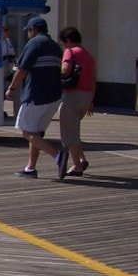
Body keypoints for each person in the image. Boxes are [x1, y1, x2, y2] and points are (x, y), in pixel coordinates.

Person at [6, 16, 64, 178]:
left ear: (33, 30)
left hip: (36, 95)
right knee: (36, 132)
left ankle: (58, 155)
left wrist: (12, 88)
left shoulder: (34, 43)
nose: (28, 34)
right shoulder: (55, 46)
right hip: (54, 96)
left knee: (26, 131)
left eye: (29, 31)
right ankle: (30, 168)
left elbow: (22, 69)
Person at [57, 26, 95, 177]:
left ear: (68, 40)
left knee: (68, 133)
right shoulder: (89, 55)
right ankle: (81, 158)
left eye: (63, 42)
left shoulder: (70, 52)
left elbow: (65, 69)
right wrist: (91, 100)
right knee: (75, 130)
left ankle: (77, 165)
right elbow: (93, 80)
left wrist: (56, 71)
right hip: (86, 96)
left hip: (71, 95)